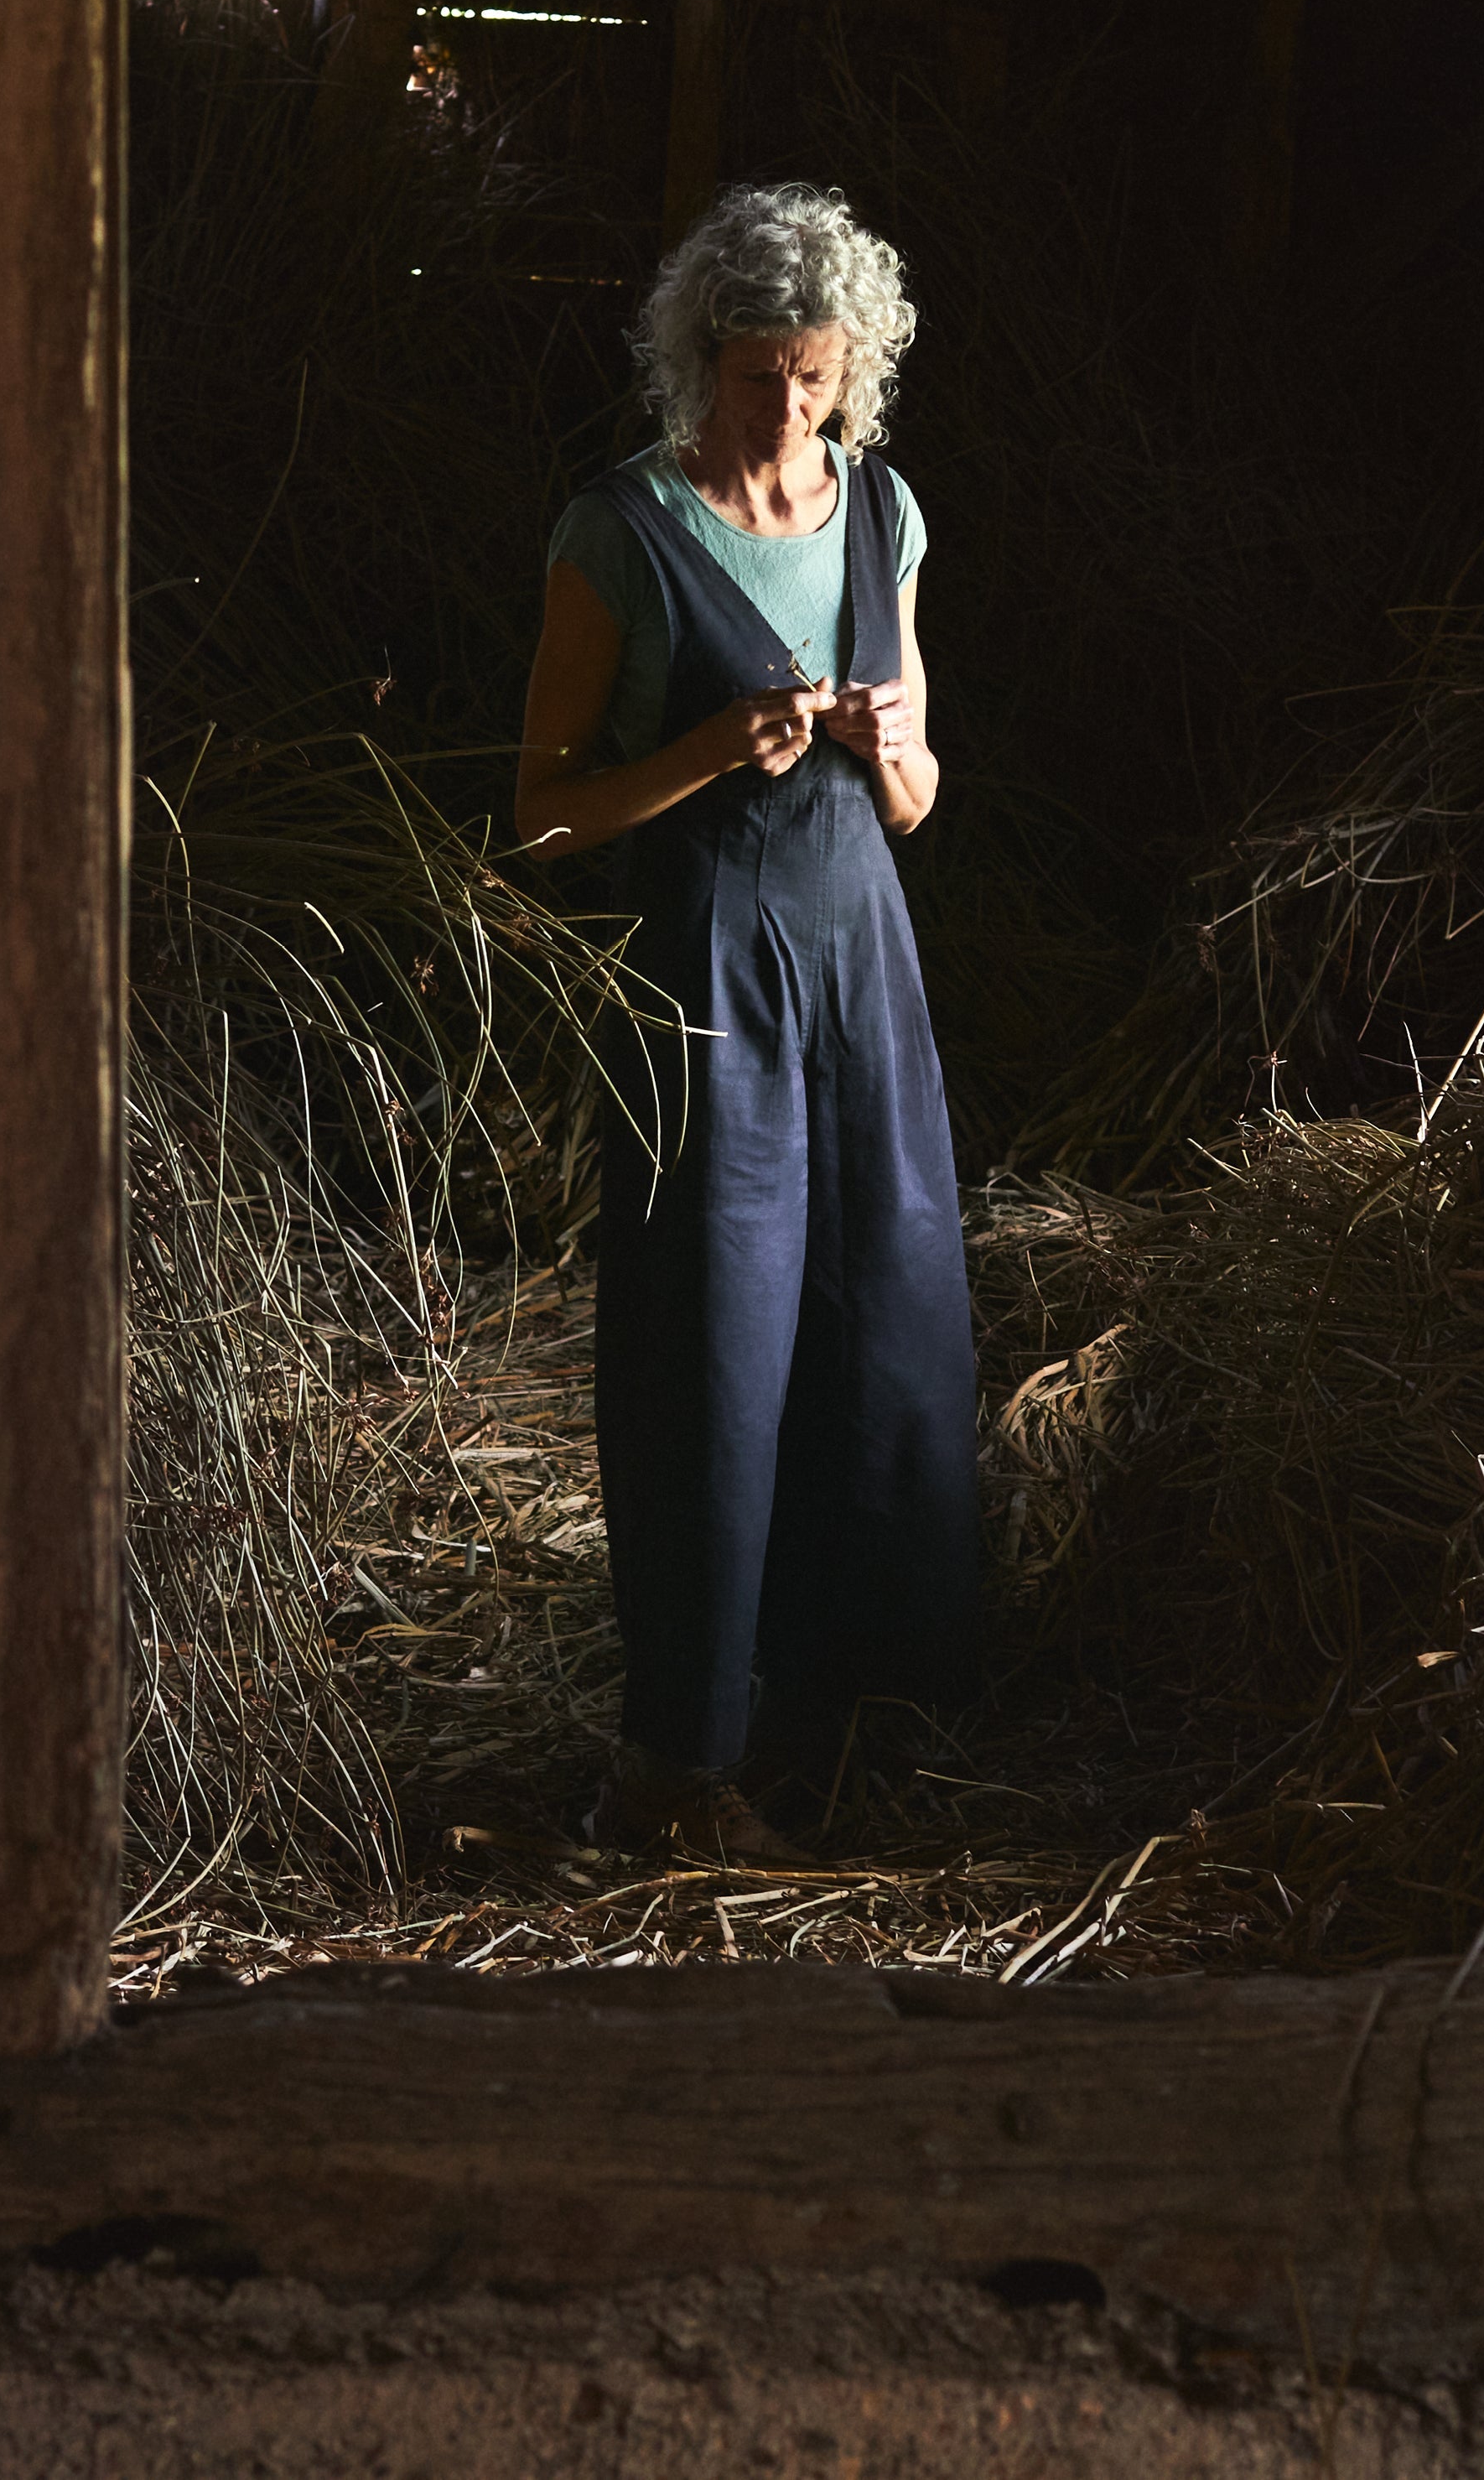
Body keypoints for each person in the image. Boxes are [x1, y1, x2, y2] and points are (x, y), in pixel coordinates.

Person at [511, 182, 983, 1865]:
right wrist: (715, 748)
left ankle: (868, 1719)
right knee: (712, 1345)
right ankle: (681, 1752)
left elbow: (921, 799)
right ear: (694, 357)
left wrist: (884, 744)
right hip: (704, 981)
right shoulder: (620, 532)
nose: (789, 404)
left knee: (889, 1316)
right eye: (755, 372)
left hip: (863, 961)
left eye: (814, 370)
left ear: (854, 360)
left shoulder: (884, 513)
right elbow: (544, 817)